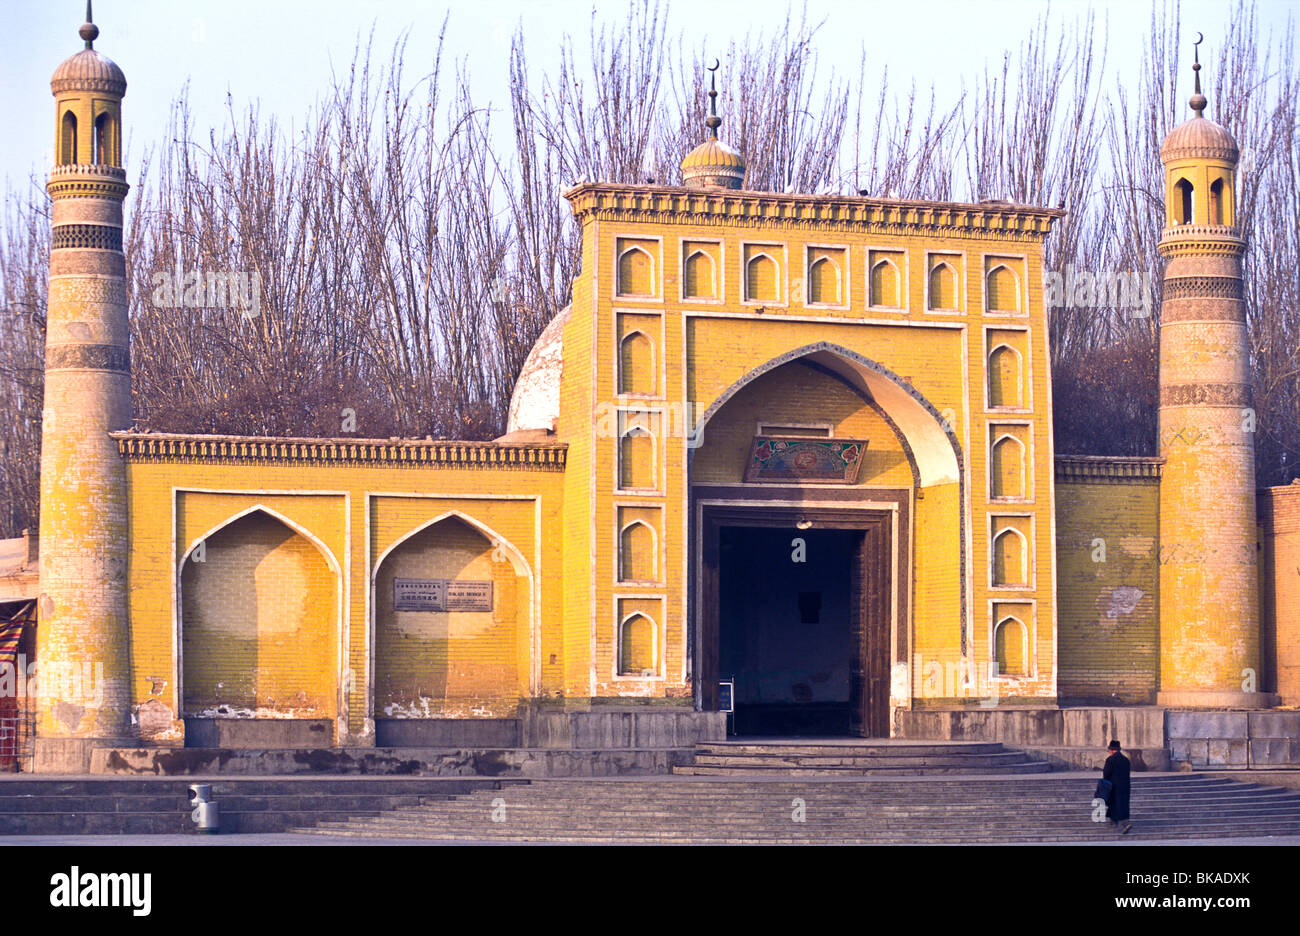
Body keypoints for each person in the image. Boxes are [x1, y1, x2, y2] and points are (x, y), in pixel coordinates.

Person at [1102, 739, 1132, 834]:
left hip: (1114, 787)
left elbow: (1106, 773)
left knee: (1115, 804)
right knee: (1123, 804)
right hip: (1125, 787)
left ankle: (1123, 824)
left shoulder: (1110, 760)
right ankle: (1115, 821)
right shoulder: (1126, 760)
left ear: (1111, 750)